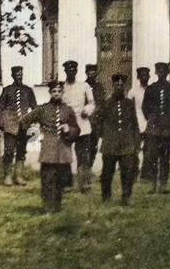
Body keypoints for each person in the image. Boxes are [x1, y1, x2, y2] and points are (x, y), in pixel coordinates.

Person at [18, 80, 80, 212]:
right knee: (47, 179)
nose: (56, 94)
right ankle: (47, 207)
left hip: (63, 150)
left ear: (62, 93)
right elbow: (24, 121)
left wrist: (69, 129)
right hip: (48, 150)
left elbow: (76, 129)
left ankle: (57, 206)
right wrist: (35, 135)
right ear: (50, 93)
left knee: (60, 181)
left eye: (59, 91)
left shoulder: (68, 110)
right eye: (54, 91)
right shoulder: (42, 109)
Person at [96, 74, 141, 205]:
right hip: (110, 144)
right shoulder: (106, 103)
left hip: (126, 143)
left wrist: (136, 142)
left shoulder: (128, 104)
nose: (119, 87)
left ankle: (126, 197)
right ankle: (106, 196)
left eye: (122, 85)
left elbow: (135, 124)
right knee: (107, 173)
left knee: (127, 171)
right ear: (113, 86)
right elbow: (97, 120)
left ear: (124, 87)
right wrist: (103, 134)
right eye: (117, 85)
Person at [142, 62, 170, 194]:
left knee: (165, 158)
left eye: (163, 71)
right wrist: (151, 119)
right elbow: (145, 107)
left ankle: (163, 184)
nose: (161, 74)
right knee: (152, 157)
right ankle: (153, 184)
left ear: (167, 73)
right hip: (153, 129)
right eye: (159, 71)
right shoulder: (150, 89)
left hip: (168, 130)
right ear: (156, 72)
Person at [0, 65, 37, 186]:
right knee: (9, 150)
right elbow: (0, 108)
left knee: (21, 151)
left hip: (24, 125)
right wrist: (0, 125)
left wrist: (34, 123)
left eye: (21, 74)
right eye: (17, 74)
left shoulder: (28, 90)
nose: (19, 76)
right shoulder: (7, 90)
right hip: (10, 125)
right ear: (12, 75)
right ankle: (7, 176)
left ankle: (18, 175)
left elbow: (35, 108)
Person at [60, 60, 94, 191]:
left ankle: (84, 183)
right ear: (66, 72)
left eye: (74, 70)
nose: (71, 72)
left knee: (83, 155)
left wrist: (87, 110)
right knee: (66, 154)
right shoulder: (61, 87)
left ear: (77, 71)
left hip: (82, 124)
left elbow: (92, 102)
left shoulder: (84, 86)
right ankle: (67, 184)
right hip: (67, 125)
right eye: (69, 70)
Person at [85, 62, 108, 172]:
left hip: (97, 121)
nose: (92, 75)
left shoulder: (100, 87)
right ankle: (85, 168)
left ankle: (89, 167)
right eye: (90, 72)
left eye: (94, 73)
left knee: (94, 144)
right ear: (86, 73)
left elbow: (102, 103)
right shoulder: (83, 86)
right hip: (86, 120)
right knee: (86, 144)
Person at [134, 66, 154, 183]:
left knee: (149, 149)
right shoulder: (133, 91)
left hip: (149, 123)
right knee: (135, 149)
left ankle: (146, 174)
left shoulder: (152, 90)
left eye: (146, 75)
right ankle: (134, 171)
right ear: (138, 77)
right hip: (137, 122)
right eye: (142, 75)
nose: (144, 78)